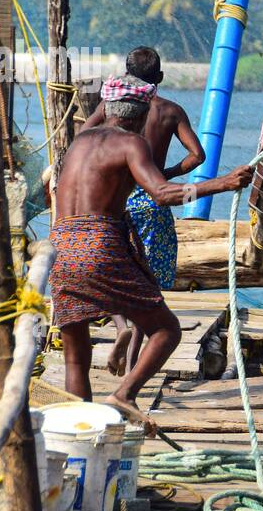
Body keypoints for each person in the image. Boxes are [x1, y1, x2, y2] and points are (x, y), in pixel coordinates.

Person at [49, 75, 252, 418]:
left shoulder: (79, 142)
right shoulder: (131, 143)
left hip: (59, 247)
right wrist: (222, 184)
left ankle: (78, 433)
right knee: (166, 330)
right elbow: (162, 194)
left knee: (75, 356)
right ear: (139, 114)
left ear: (109, 109)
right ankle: (125, 393)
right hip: (99, 245)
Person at [81, 47, 206, 376]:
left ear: (125, 72)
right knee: (146, 279)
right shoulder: (170, 110)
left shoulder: (112, 106)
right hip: (154, 198)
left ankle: (120, 325)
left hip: (116, 196)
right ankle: (134, 353)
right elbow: (197, 155)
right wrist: (165, 174)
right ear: (160, 78)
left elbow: (83, 135)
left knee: (112, 266)